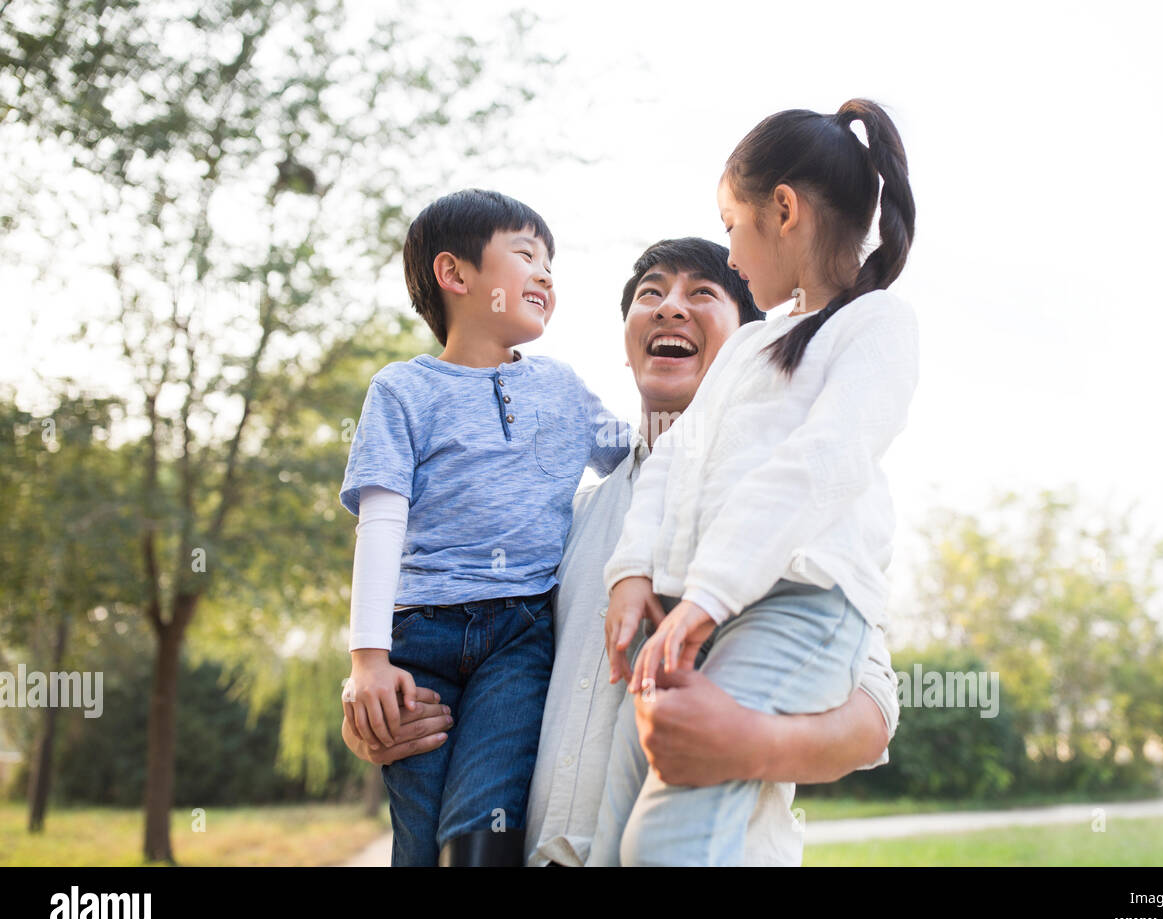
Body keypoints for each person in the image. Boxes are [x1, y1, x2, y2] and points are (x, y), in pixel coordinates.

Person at [342, 236, 901, 867]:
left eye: (702, 293)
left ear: (750, 349)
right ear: (627, 340)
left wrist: (748, 742)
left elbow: (872, 713)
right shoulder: (564, 518)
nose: (670, 308)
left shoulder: (788, 505)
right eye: (651, 293)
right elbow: (476, 652)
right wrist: (380, 706)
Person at [592, 98, 919, 866]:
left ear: (783, 209)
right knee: (615, 831)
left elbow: (823, 461)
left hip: (800, 607)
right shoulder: (751, 348)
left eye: (731, 224)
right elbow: (674, 459)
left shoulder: (876, 325)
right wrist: (632, 570)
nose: (729, 256)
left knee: (666, 843)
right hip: (711, 614)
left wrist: (704, 596)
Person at [338, 188, 631, 866]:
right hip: (418, 641)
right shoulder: (401, 391)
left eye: (550, 261)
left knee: (482, 821)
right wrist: (368, 661)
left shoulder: (560, 387)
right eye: (526, 253)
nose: (547, 273)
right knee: (418, 835)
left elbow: (639, 451)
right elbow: (380, 524)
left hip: (518, 636)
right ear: (456, 274)